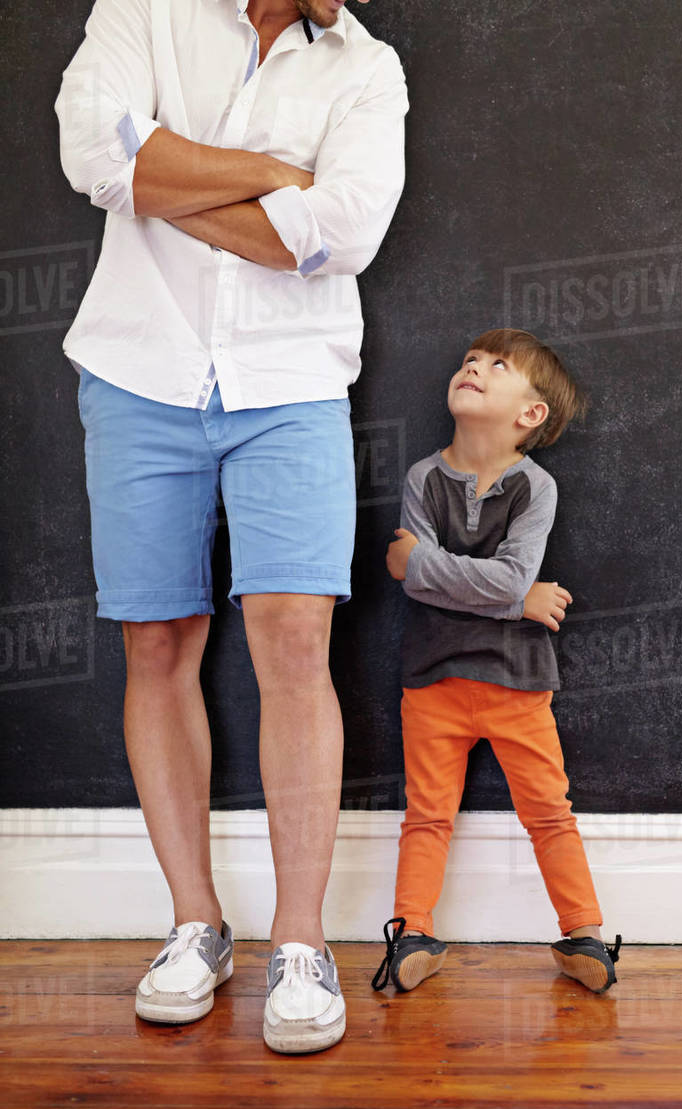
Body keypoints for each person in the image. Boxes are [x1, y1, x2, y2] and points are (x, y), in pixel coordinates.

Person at [55, 0, 408, 1054]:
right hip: (136, 373)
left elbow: (343, 234)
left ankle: (300, 943)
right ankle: (194, 925)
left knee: (297, 642)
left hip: (292, 387)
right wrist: (273, 179)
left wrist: (165, 173)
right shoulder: (141, 9)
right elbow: (91, 151)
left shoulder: (369, 67)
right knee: (156, 641)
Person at [372, 328, 622, 996]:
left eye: (496, 366)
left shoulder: (534, 488)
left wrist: (426, 565)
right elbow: (463, 583)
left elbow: (438, 570)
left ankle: (585, 932)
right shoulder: (424, 478)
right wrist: (516, 601)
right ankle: (412, 929)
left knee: (548, 812)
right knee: (427, 814)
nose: (473, 367)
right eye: (469, 361)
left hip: (519, 685)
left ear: (530, 413)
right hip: (432, 681)